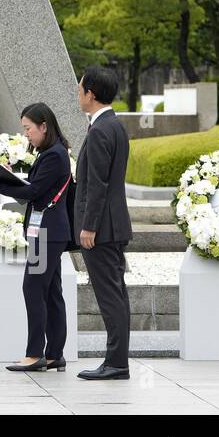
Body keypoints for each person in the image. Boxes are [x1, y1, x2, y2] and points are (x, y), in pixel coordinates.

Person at [0, 102, 74, 373]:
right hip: (49, 232)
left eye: (28, 128)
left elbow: (33, 192)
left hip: (46, 234)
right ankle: (55, 353)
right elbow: (38, 187)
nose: (26, 134)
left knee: (33, 289)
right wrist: (10, 176)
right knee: (51, 291)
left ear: (44, 126)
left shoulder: (54, 155)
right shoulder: (52, 152)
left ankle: (35, 354)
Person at [73, 66, 133, 380]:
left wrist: (88, 226)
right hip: (114, 224)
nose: (78, 93)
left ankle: (116, 363)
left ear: (91, 94)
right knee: (116, 294)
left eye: (80, 88)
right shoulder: (115, 126)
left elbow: (97, 184)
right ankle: (116, 360)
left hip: (102, 228)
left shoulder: (99, 131)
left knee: (110, 295)